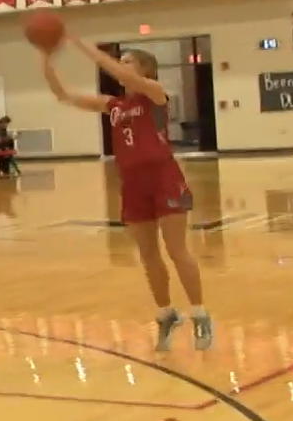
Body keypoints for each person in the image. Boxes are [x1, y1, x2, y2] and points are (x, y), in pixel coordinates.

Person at [37, 36, 211, 351]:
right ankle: (166, 314)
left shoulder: (155, 95)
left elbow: (119, 73)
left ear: (145, 69)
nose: (122, 65)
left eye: (128, 60)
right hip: (132, 184)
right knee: (148, 256)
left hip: (164, 178)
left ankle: (200, 314)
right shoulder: (113, 105)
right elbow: (63, 95)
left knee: (177, 250)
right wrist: (44, 57)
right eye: (123, 60)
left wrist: (83, 46)